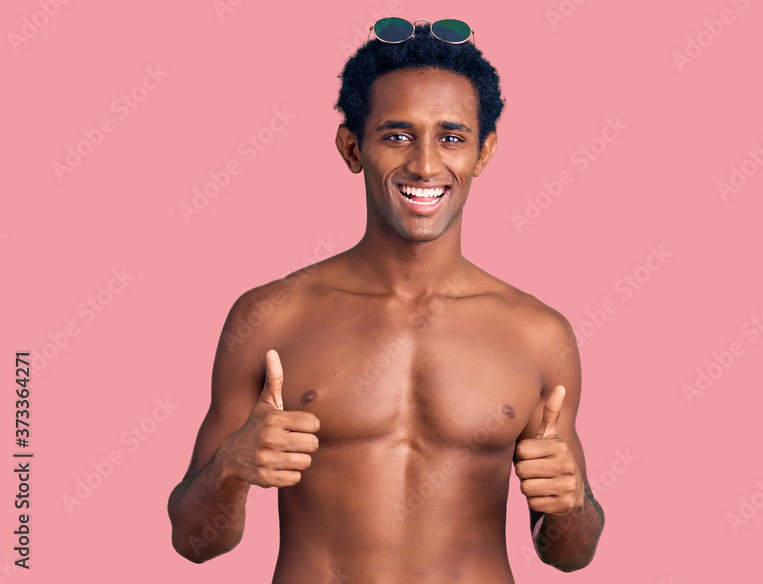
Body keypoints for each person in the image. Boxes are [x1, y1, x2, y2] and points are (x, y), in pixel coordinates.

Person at [167, 19, 604, 583]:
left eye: (451, 137)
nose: (424, 164)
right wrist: (230, 468)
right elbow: (194, 542)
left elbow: (569, 553)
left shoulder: (539, 334)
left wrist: (571, 506)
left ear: (484, 152)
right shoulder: (271, 315)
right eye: (397, 135)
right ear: (353, 147)